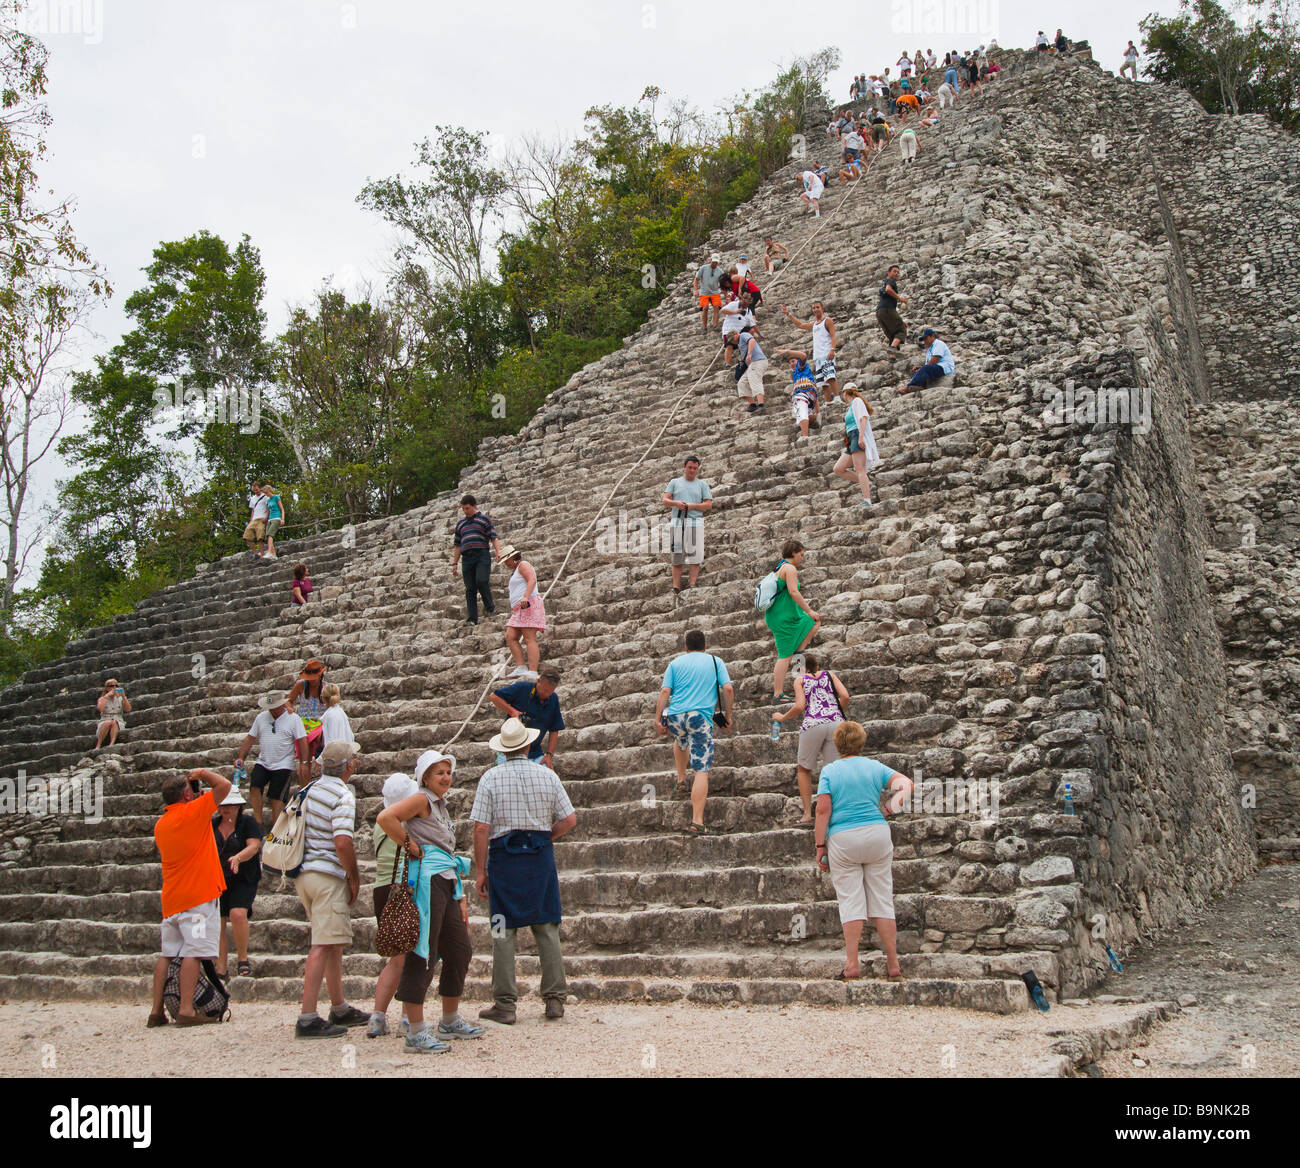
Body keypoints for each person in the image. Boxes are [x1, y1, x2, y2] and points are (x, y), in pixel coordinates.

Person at [472, 718, 577, 1025]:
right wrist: (545, 837)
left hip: (505, 857)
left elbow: (481, 828)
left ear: (504, 749)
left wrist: (480, 870)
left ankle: (505, 1003)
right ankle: (555, 997)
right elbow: (569, 820)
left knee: (503, 929)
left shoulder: (490, 778)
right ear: (529, 744)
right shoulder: (547, 775)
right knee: (546, 925)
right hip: (540, 855)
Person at [376, 750, 482, 1051]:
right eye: (440, 773)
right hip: (428, 881)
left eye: (448, 772)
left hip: (445, 879)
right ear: (425, 778)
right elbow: (387, 817)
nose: (446, 778)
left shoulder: (439, 805)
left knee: (459, 949)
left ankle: (449, 1019)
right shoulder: (422, 800)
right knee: (422, 950)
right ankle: (416, 1030)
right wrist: (411, 845)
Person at [815, 723, 914, 980]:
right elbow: (906, 784)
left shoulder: (830, 771)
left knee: (851, 901)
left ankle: (852, 964)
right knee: (882, 898)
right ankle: (893, 964)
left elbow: (823, 810)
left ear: (837, 745)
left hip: (844, 838)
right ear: (861, 743)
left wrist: (820, 845)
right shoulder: (875, 767)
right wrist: (889, 808)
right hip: (877, 834)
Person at [295, 739, 368, 1038]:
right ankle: (307, 1017)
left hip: (304, 873)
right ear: (349, 765)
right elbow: (342, 841)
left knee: (331, 941)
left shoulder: (307, 790)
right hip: (326, 874)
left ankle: (339, 1006)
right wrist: (353, 875)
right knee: (323, 944)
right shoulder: (342, 793)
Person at [148, 767, 232, 1028]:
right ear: (186, 795)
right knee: (193, 954)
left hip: (172, 898)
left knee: (167, 954)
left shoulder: (161, 824)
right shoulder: (194, 813)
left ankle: (156, 1011)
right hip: (197, 897)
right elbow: (225, 786)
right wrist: (203, 773)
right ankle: (186, 1009)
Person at [655, 630, 734, 836]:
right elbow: (728, 689)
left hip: (676, 716)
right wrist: (728, 714)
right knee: (701, 769)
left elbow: (665, 692)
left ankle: (681, 780)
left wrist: (657, 718)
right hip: (699, 717)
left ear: (686, 647)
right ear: (705, 647)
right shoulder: (716, 662)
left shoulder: (675, 664)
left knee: (681, 740)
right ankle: (697, 821)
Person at [367, 772, 418, 1039]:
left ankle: (377, 1017)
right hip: (404, 889)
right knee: (413, 958)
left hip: (381, 889)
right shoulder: (408, 822)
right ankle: (408, 1018)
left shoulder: (379, 823)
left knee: (395, 960)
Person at [774, 654, 849, 824]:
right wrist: (836, 713)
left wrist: (782, 717)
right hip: (836, 723)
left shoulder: (800, 680)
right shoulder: (830, 675)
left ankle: (807, 813)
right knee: (833, 770)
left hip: (813, 723)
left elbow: (800, 706)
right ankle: (834, 811)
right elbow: (845, 696)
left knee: (804, 769)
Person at [236, 691, 310, 829]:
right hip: (263, 761)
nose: (272, 709)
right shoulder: (261, 718)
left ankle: (276, 828)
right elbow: (250, 738)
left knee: (277, 797)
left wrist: (304, 762)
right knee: (254, 786)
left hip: (284, 763)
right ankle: (258, 822)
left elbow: (302, 741)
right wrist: (241, 757)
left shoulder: (293, 719)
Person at [212, 783, 262, 978]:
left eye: (230, 805)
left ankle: (242, 958)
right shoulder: (213, 824)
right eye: (223, 805)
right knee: (218, 922)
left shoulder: (247, 823)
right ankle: (220, 967)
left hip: (244, 876)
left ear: (238, 806)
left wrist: (238, 858)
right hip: (218, 878)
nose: (226, 809)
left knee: (238, 914)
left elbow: (254, 846)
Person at [765, 539, 820, 714]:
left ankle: (800, 651)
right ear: (794, 552)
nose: (802, 558)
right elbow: (793, 592)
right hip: (784, 618)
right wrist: (809, 609)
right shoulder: (789, 568)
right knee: (784, 656)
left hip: (786, 616)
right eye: (801, 555)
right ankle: (778, 693)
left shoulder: (780, 567)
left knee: (813, 621)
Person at [490, 666, 564, 769]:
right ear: (538, 681)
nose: (546, 695)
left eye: (550, 692)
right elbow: (494, 697)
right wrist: (513, 712)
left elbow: (555, 729)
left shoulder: (553, 699)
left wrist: (549, 755)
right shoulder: (522, 688)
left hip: (535, 753)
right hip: (510, 751)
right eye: (544, 690)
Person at [662, 456, 713, 594]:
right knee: (677, 555)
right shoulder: (674, 482)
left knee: (694, 556)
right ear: (684, 467)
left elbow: (708, 504)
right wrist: (677, 503)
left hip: (695, 522)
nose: (692, 470)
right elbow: (665, 500)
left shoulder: (702, 485)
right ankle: (676, 586)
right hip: (678, 522)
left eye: (695, 468)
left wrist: (693, 506)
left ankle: (692, 584)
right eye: (690, 467)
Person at [451, 494, 502, 625]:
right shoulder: (460, 524)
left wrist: (498, 552)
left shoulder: (484, 520)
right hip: (466, 558)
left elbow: (493, 537)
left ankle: (490, 607)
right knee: (470, 588)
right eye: (463, 509)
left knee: (481, 580)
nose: (465, 511)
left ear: (474, 506)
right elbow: (457, 545)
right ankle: (472, 618)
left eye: (467, 508)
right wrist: (454, 563)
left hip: (481, 555)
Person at [498, 544, 546, 678]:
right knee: (510, 636)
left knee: (529, 638)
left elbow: (532, 579)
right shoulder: (516, 570)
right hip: (520, 608)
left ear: (512, 558)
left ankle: (533, 670)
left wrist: (525, 596)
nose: (506, 564)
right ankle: (521, 666)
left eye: (506, 560)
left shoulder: (523, 565)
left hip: (528, 604)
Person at [780, 301, 838, 402]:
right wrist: (788, 314)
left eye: (817, 307)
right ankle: (828, 402)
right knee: (822, 382)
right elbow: (800, 325)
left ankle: (837, 397)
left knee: (830, 377)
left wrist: (832, 349)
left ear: (822, 308)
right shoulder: (814, 324)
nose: (815, 310)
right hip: (818, 356)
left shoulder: (827, 321)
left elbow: (833, 335)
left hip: (826, 353)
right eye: (814, 308)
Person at [834, 384, 880, 509]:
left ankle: (867, 500)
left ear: (845, 393)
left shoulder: (857, 402)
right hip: (850, 438)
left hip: (856, 435)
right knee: (838, 468)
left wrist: (860, 437)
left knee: (860, 469)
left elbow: (863, 419)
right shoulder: (851, 406)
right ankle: (868, 483)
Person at [773, 349, 821, 438]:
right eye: (790, 362)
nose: (791, 364)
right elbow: (815, 393)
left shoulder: (802, 366)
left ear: (798, 361)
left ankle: (804, 436)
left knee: (802, 413)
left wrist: (788, 351)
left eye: (793, 361)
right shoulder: (798, 374)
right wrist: (818, 412)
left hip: (802, 394)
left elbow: (803, 355)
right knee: (801, 418)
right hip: (810, 395)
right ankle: (813, 420)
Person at [289, 658, 328, 757]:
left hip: (320, 723)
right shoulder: (300, 685)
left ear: (320, 676)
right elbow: (289, 701)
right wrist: (290, 709)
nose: (311, 681)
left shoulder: (326, 688)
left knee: (322, 736)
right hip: (303, 723)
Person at [900, 326, 955, 393]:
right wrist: (921, 368)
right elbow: (930, 364)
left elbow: (935, 359)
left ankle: (908, 387)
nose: (924, 341)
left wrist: (923, 368)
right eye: (924, 339)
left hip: (944, 368)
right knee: (920, 370)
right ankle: (919, 386)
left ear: (932, 336)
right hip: (937, 367)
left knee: (925, 369)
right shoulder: (930, 349)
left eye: (926, 338)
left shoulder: (938, 344)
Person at [735, 330, 769, 413]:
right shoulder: (740, 343)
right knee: (741, 383)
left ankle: (761, 404)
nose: (732, 341)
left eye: (732, 338)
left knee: (754, 380)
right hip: (751, 364)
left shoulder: (743, 335)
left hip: (757, 361)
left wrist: (749, 354)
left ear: (736, 334)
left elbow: (752, 340)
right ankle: (753, 404)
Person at [877, 264, 908, 353]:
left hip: (880, 312)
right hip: (887, 310)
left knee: (893, 335)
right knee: (901, 330)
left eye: (898, 272)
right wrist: (900, 298)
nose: (896, 273)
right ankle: (892, 348)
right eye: (894, 271)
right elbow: (888, 290)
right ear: (889, 272)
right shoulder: (891, 281)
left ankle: (892, 357)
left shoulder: (884, 283)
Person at [95, 678, 131, 749]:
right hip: (105, 720)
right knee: (108, 723)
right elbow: (101, 709)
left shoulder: (120, 698)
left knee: (114, 722)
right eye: (111, 686)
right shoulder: (102, 698)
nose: (114, 688)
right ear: (107, 688)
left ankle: (112, 743)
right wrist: (107, 696)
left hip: (118, 720)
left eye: (116, 686)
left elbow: (128, 709)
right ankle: (98, 744)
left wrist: (123, 697)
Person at [693, 252, 724, 332]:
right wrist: (696, 290)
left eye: (716, 262)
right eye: (713, 262)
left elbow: (723, 283)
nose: (714, 263)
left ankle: (715, 325)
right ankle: (704, 327)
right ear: (710, 260)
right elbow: (696, 279)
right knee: (705, 308)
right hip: (704, 292)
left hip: (715, 292)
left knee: (716, 307)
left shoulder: (720, 271)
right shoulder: (703, 268)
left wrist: (726, 294)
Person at [319, 683, 354, 749]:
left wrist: (320, 759)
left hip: (335, 754)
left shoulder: (330, 715)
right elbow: (350, 735)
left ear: (323, 698)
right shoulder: (341, 712)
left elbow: (331, 741)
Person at [243, 480, 268, 559]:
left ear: (260, 488)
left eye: (257, 489)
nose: (256, 491)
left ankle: (262, 554)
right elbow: (253, 510)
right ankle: (255, 553)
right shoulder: (253, 498)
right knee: (246, 536)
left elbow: (269, 508)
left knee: (260, 537)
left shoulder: (265, 497)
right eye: (254, 490)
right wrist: (251, 520)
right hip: (254, 519)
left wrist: (266, 518)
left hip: (262, 519)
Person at [261, 482, 285, 560]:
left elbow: (282, 508)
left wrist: (283, 519)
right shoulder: (268, 500)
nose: (266, 494)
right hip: (270, 518)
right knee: (268, 536)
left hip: (276, 517)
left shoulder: (276, 497)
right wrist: (265, 518)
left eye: (266, 493)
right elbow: (268, 511)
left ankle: (269, 552)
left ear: (269, 491)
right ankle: (274, 555)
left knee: (270, 534)